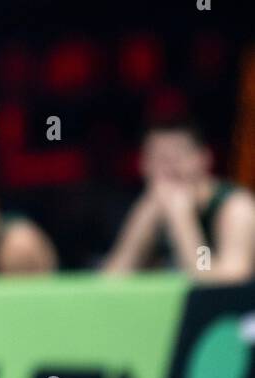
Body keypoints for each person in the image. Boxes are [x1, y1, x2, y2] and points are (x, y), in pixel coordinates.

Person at [103, 120, 255, 283]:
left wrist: (183, 219)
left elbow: (219, 282)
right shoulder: (153, 204)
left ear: (204, 158)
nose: (170, 167)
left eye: (178, 155)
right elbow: (111, 279)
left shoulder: (235, 207)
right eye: (159, 158)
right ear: (143, 165)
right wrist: (145, 216)